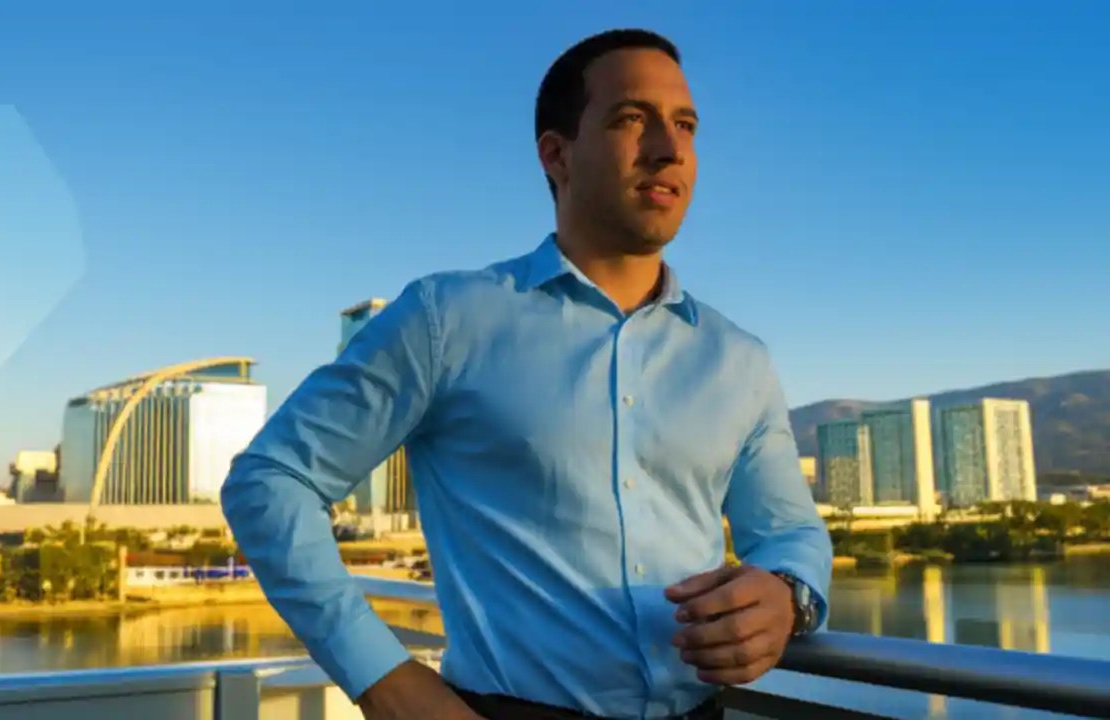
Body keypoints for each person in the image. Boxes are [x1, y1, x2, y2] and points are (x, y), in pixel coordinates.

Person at [221, 28, 832, 720]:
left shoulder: (738, 358)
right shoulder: (447, 319)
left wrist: (787, 593)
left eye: (685, 124)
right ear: (557, 153)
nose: (670, 147)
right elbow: (269, 480)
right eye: (632, 118)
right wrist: (386, 681)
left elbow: (790, 533)